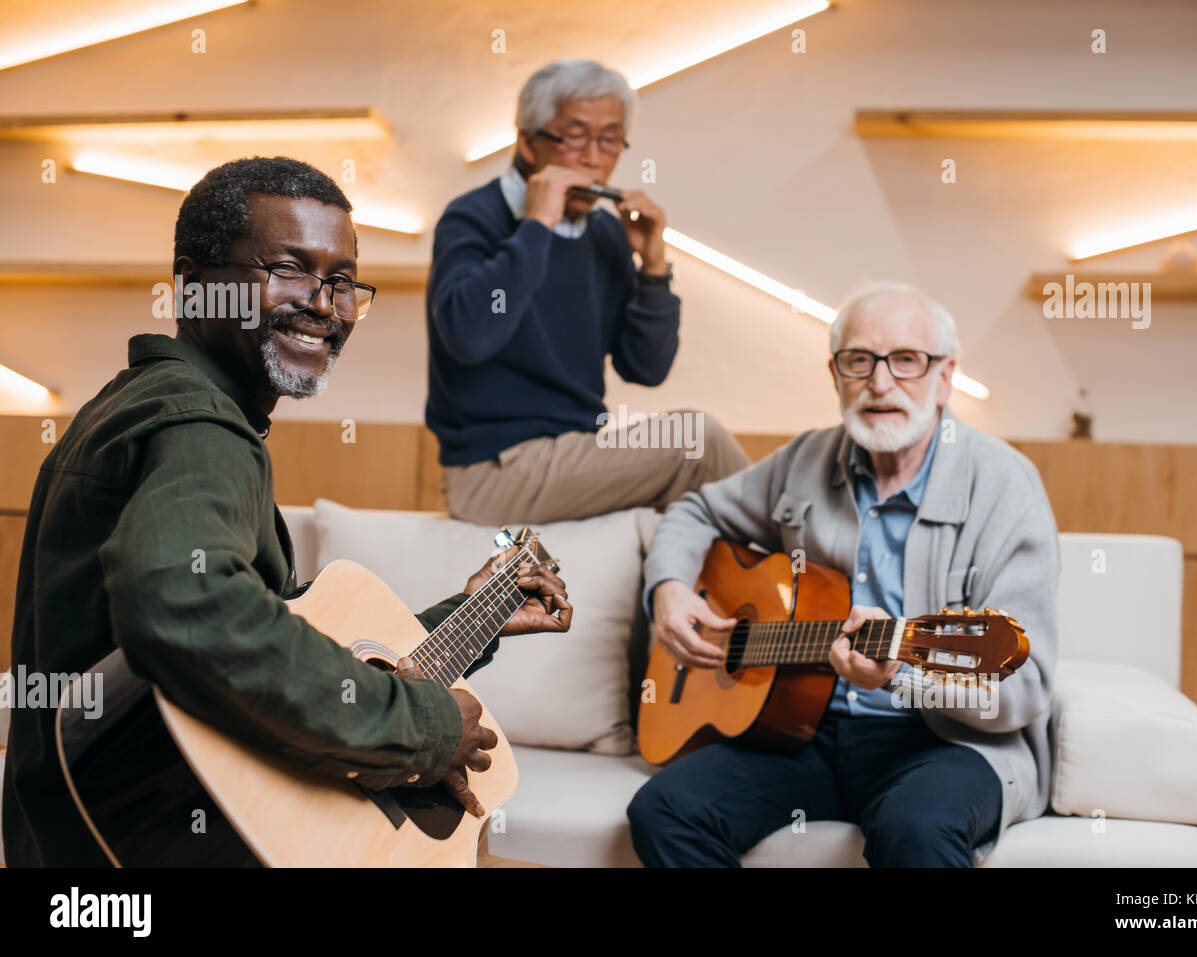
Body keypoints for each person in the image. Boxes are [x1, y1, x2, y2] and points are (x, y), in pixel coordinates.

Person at [2, 157, 571, 867]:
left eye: (340, 281)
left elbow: (280, 658)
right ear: (194, 284)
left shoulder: (143, 407)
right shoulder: (199, 428)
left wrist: (473, 615)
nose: (324, 304)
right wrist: (418, 728)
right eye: (290, 269)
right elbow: (188, 605)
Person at [627, 281, 1060, 867]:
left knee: (918, 829)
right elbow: (695, 510)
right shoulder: (805, 459)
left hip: (944, 744)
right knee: (665, 810)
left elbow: (1023, 686)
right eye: (859, 360)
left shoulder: (1006, 486)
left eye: (906, 360)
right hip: (802, 734)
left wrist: (900, 675)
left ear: (946, 375)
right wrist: (672, 591)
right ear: (835, 375)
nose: (880, 383)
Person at [425, 58, 750, 525]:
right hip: (490, 469)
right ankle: (815, 571)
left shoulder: (605, 234)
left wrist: (653, 268)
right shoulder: (473, 217)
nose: (594, 158)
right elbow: (471, 336)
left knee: (692, 516)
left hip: (578, 450)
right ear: (527, 143)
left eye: (610, 139)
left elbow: (646, 368)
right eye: (575, 137)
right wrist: (538, 225)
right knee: (697, 439)